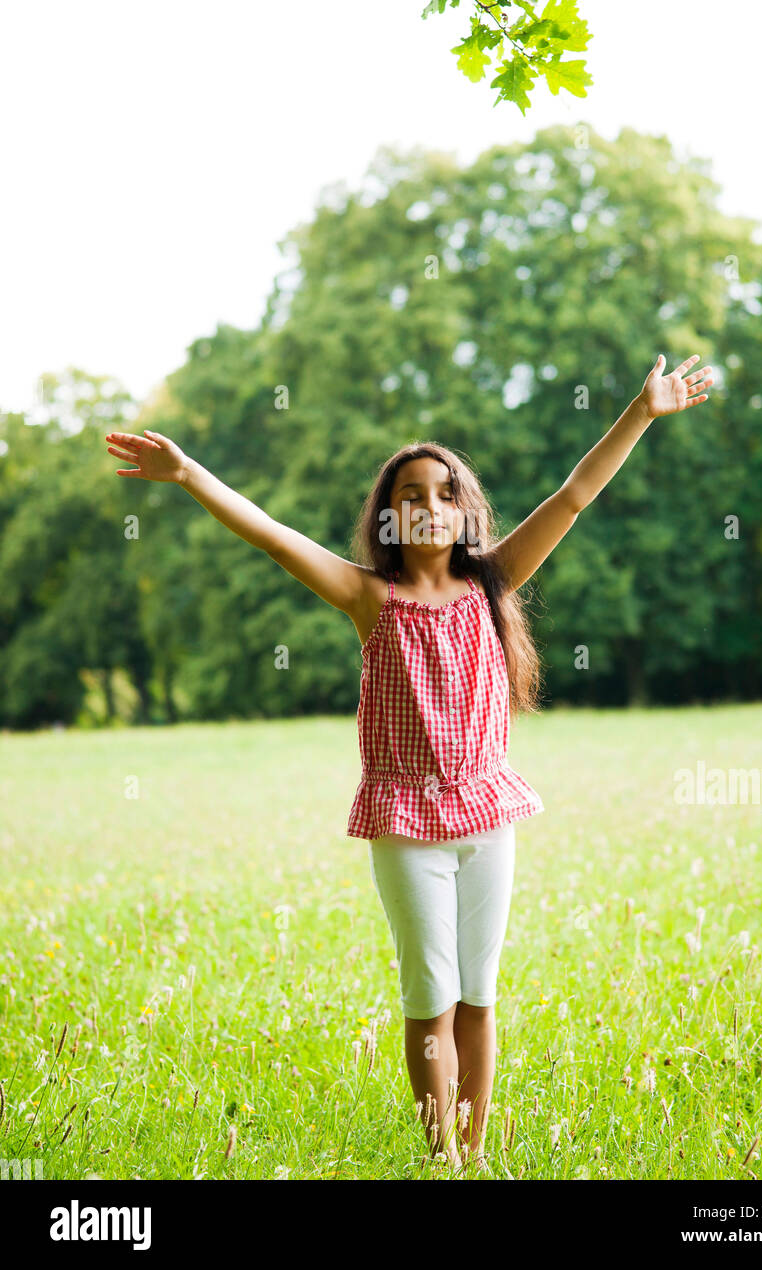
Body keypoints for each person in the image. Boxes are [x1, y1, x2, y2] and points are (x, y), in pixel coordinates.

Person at [105, 351, 713, 1176]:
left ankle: (475, 1150)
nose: (429, 506)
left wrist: (641, 413)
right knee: (429, 995)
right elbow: (270, 533)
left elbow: (574, 494)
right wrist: (189, 475)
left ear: (467, 513)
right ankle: (442, 1162)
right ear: (388, 519)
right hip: (406, 823)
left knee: (479, 993)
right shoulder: (369, 597)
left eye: (445, 493)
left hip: (487, 814)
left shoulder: (495, 583)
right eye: (410, 496)